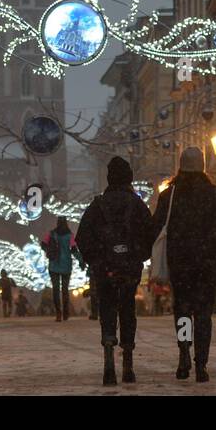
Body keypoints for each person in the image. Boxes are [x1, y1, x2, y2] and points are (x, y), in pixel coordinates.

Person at [150, 146, 216, 383]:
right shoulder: (215, 194)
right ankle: (201, 364)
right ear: (202, 167)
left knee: (183, 310)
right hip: (206, 261)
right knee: (203, 313)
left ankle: (183, 353)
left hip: (180, 262)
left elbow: (156, 225)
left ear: (181, 166)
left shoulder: (170, 196)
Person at [77, 155, 154, 386]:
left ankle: (109, 355)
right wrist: (139, 255)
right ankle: (128, 361)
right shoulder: (137, 204)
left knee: (107, 307)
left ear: (109, 179)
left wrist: (96, 260)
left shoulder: (98, 205)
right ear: (129, 178)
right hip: (129, 265)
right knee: (128, 308)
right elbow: (149, 232)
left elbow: (82, 237)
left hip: (105, 266)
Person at [43, 216, 82, 322]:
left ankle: (58, 313)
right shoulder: (70, 235)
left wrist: (50, 251)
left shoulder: (51, 234)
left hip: (53, 265)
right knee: (65, 290)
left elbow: (43, 244)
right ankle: (66, 313)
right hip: (66, 266)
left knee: (56, 290)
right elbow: (74, 249)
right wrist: (81, 260)